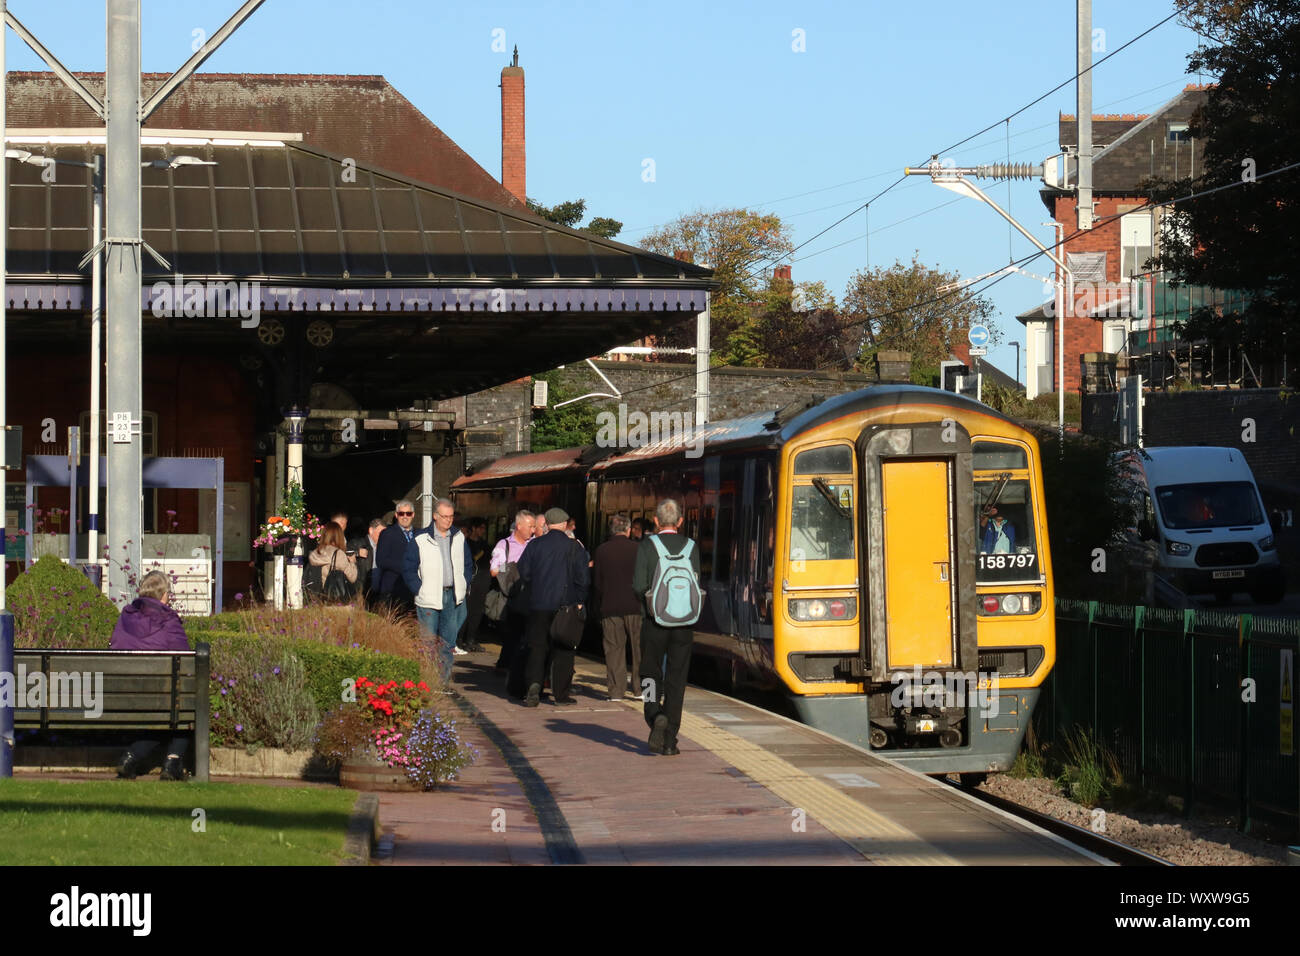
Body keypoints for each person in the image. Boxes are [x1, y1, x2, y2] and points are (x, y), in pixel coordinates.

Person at [110, 571, 192, 781]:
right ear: (164, 595)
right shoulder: (169, 619)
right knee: (184, 707)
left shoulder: (125, 616)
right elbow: (186, 659)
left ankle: (131, 757)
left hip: (125, 692)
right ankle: (172, 761)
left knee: (166, 708)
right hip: (159, 695)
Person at [634, 498, 700, 756]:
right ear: (681, 521)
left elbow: (639, 585)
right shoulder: (692, 546)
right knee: (676, 680)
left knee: (650, 673)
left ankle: (654, 713)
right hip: (685, 623)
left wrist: (650, 606)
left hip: (654, 623)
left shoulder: (647, 545)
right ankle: (670, 740)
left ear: (656, 521)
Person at [516, 506, 589, 708]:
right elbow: (583, 578)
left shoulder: (535, 545)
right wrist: (581, 600)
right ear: (565, 525)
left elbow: (524, 572)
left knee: (537, 648)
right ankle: (561, 694)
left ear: (546, 524)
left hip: (539, 605)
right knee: (564, 650)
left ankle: (533, 687)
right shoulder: (575, 547)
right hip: (566, 607)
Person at [403, 498, 475, 677]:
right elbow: (408, 568)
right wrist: (419, 588)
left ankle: (442, 681)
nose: (448, 520)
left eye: (451, 517)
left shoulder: (458, 537)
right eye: (444, 517)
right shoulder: (420, 538)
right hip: (428, 598)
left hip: (451, 595)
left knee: (447, 642)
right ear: (435, 516)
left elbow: (468, 564)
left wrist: (463, 582)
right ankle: (427, 680)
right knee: (427, 642)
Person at [594, 513, 642, 701]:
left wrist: (600, 603)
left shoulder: (601, 551)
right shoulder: (638, 549)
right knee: (640, 650)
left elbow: (597, 583)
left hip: (610, 607)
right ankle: (640, 690)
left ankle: (616, 691)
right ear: (628, 530)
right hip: (636, 607)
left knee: (614, 650)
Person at [491, 510, 535, 683]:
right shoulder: (504, 545)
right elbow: (494, 570)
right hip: (512, 599)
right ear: (519, 526)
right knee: (514, 635)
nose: (533, 530)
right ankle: (511, 669)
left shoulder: (534, 544)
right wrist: (511, 569)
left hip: (530, 597)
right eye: (530, 526)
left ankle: (515, 666)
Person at [375, 499, 418, 613]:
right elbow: (381, 560)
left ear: (413, 515)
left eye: (408, 513)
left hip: (415, 589)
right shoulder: (387, 533)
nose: (405, 516)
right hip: (393, 589)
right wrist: (406, 567)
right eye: (401, 513)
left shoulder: (420, 534)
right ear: (396, 515)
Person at [457, 517, 491, 653]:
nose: (483, 531)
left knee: (477, 611)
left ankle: (471, 639)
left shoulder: (485, 545)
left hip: (483, 578)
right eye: (481, 528)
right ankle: (460, 639)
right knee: (466, 610)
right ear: (475, 528)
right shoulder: (466, 543)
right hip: (470, 579)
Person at [309, 522, 358, 599]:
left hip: (317, 597)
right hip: (333, 600)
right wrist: (352, 562)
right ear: (339, 536)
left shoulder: (315, 553)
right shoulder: (338, 554)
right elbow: (352, 577)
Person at [353, 518, 385, 598]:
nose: (384, 536)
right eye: (381, 533)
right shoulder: (357, 543)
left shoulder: (385, 546)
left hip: (380, 590)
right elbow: (342, 556)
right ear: (371, 530)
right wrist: (357, 553)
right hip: (361, 591)